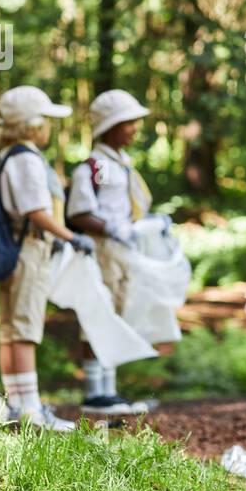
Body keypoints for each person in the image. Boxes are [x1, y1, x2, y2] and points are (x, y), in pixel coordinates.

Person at [0, 85, 96, 432]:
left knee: (12, 328)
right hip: (29, 248)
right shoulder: (25, 159)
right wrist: (73, 237)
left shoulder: (10, 155)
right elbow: (35, 210)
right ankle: (30, 408)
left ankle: (18, 403)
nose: (49, 127)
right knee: (24, 328)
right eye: (46, 120)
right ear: (32, 124)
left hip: (15, 246)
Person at [66, 89, 173, 416]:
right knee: (98, 313)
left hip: (124, 252)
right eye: (129, 123)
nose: (135, 129)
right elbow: (78, 212)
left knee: (117, 314)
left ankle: (109, 390)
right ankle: (95, 391)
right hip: (102, 251)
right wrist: (111, 228)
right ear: (110, 126)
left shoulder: (123, 164)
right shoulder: (93, 168)